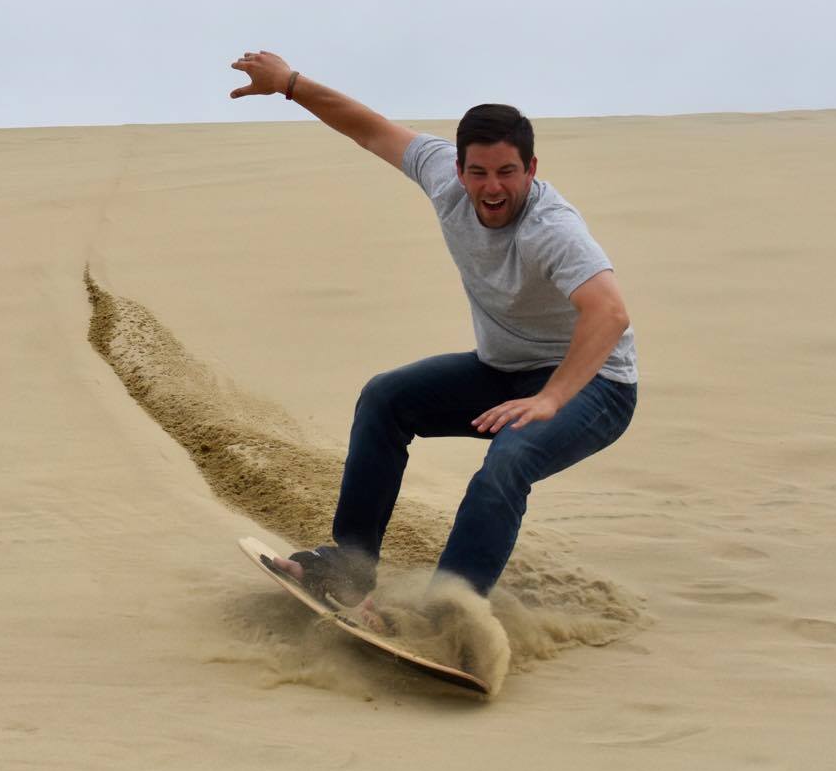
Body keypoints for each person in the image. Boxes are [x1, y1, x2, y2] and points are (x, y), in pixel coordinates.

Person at [229, 50, 638, 604]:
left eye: (508, 173)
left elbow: (610, 312)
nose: (493, 188)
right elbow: (369, 130)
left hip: (595, 387)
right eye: (479, 172)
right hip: (506, 371)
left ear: (532, 169)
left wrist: (551, 399)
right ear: (459, 169)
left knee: (509, 460)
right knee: (386, 399)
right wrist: (289, 84)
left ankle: (451, 610)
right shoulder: (441, 174)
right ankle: (347, 569)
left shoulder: (553, 229)